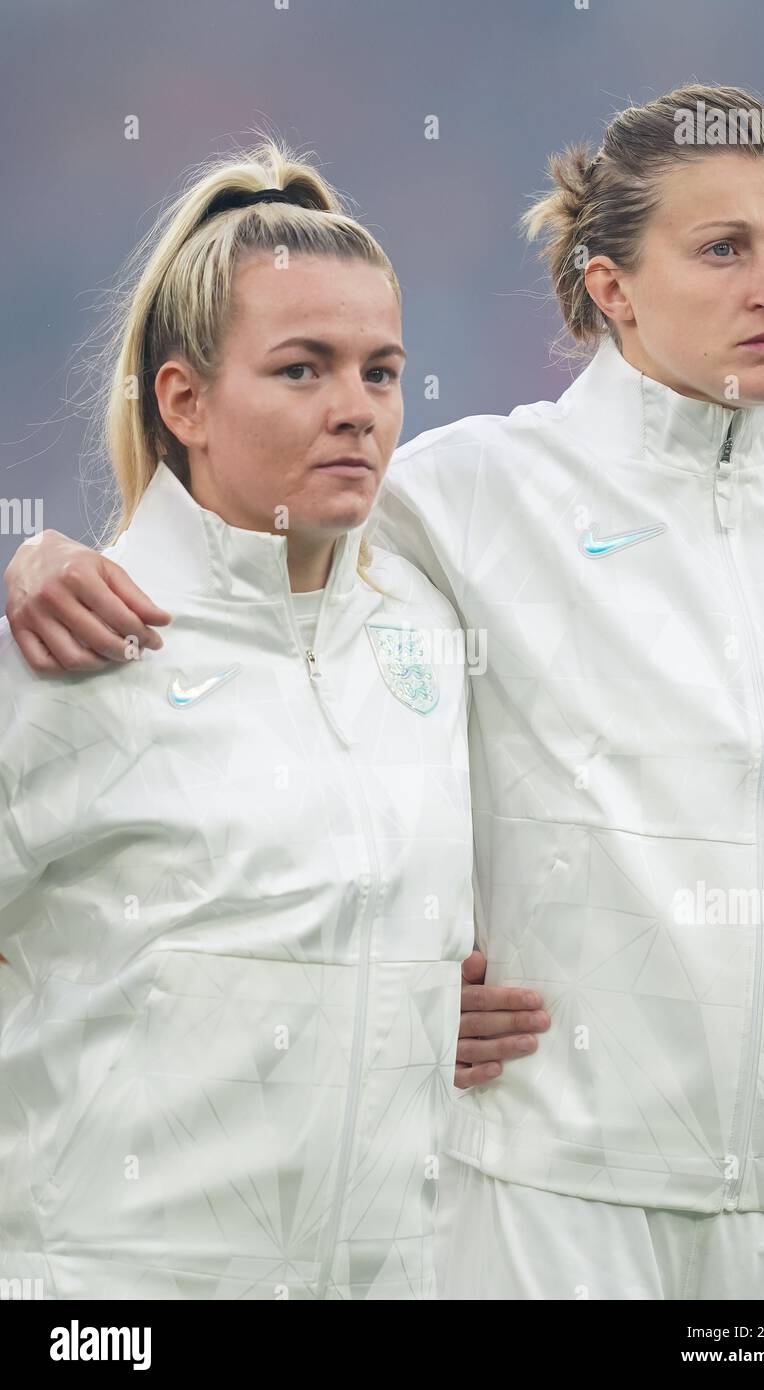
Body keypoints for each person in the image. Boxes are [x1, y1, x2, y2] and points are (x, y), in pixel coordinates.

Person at [6, 82, 764, 1301]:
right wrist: (39, 559)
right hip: (536, 1214)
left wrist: (398, 980)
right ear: (608, 285)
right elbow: (238, 576)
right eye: (721, 248)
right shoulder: (461, 497)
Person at [0, 137, 547, 1301]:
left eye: (382, 371)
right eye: (302, 369)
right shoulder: (59, 646)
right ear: (184, 400)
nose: (355, 409)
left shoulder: (432, 651)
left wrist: (373, 996)